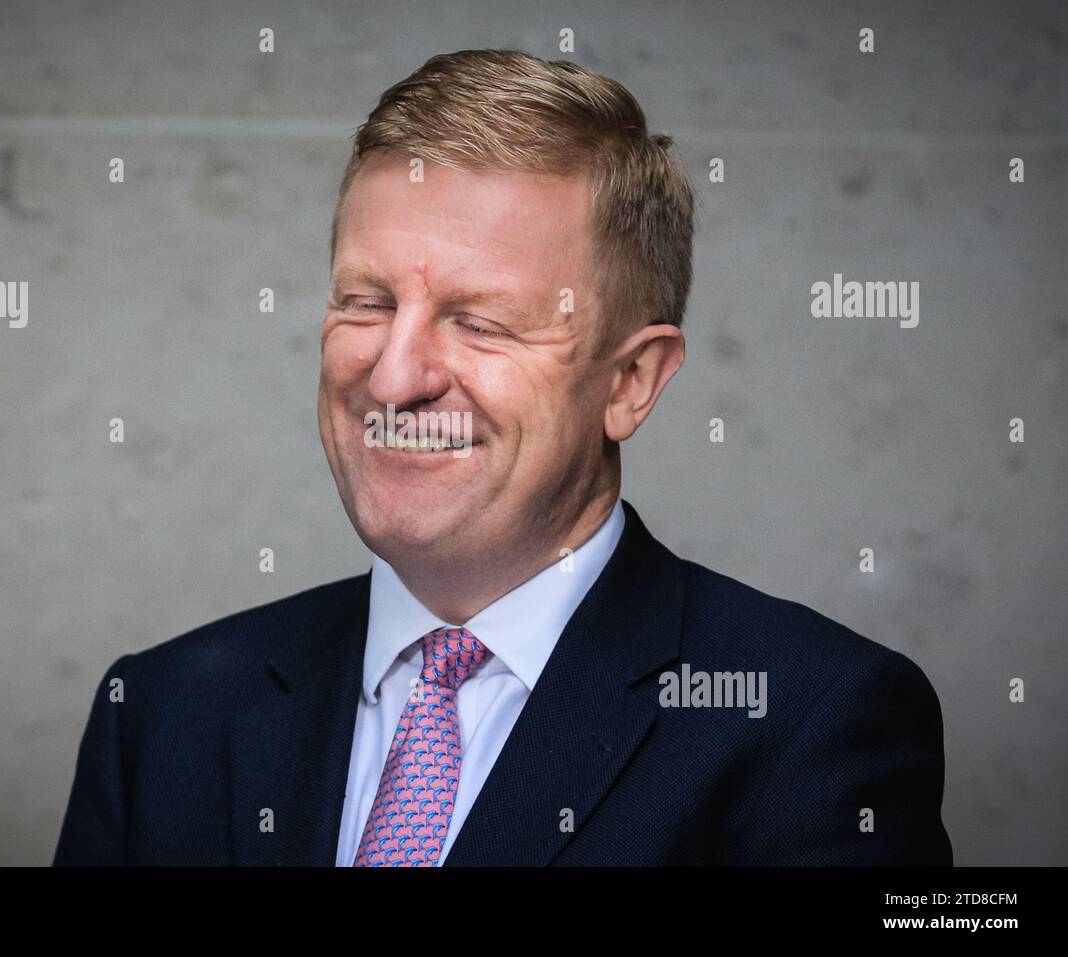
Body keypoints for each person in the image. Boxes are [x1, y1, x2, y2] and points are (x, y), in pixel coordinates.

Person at [54, 49, 952, 866]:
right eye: (366, 303)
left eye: (479, 322)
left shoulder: (806, 720)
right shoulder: (165, 710)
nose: (394, 377)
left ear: (632, 381)